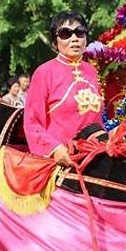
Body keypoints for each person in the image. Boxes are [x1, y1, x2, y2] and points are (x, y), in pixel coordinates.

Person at [24, 10, 103, 166]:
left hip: (94, 157)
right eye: (66, 33)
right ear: (55, 43)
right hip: (59, 160)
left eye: (79, 32)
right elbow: (32, 122)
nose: (74, 38)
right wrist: (55, 148)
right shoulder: (44, 72)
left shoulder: (93, 71)